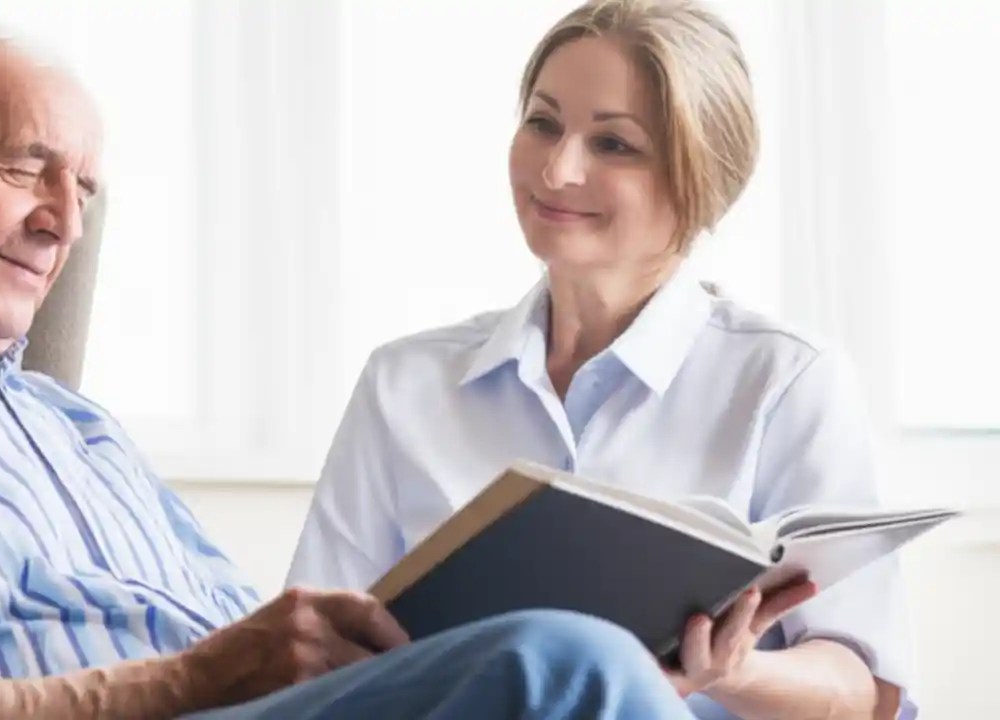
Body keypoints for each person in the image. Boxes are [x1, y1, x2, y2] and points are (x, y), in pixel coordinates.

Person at [0, 13, 699, 720]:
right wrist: (190, 683)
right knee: (556, 661)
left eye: (86, 190)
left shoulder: (75, 425)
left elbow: (251, 647)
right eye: (25, 167)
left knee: (572, 646)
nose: (64, 223)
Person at [287, 1, 912, 719]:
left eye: (614, 144)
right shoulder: (404, 385)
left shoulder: (785, 382)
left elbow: (865, 697)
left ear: (698, 175)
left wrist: (731, 672)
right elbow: (309, 661)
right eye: (543, 123)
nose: (558, 169)